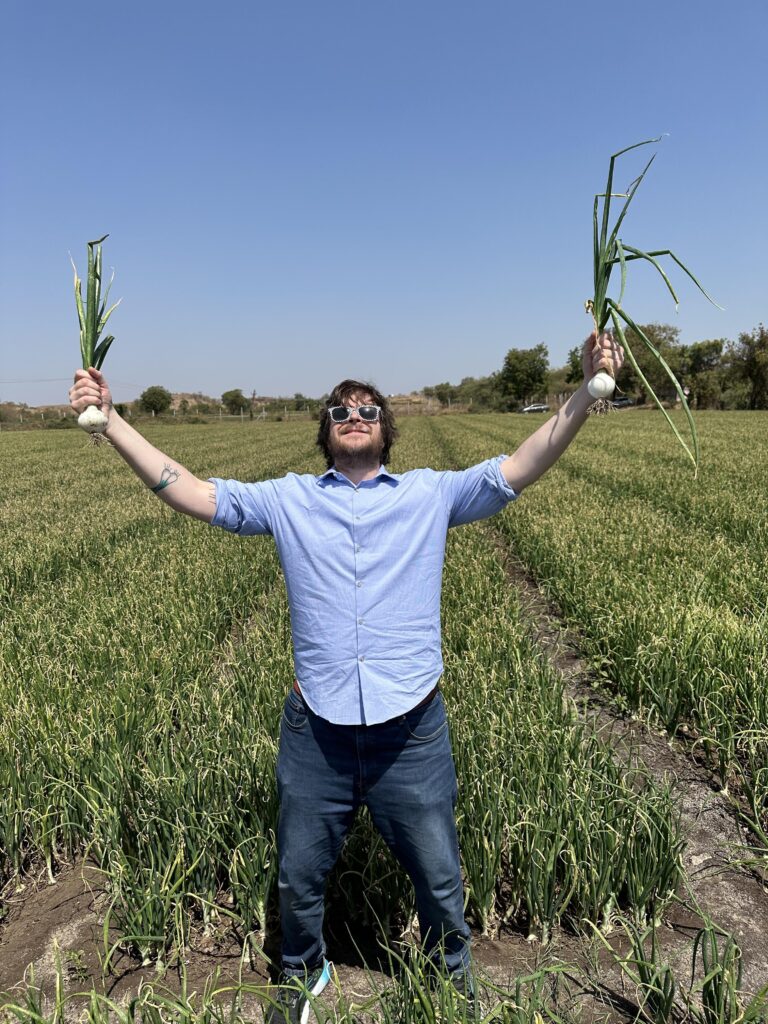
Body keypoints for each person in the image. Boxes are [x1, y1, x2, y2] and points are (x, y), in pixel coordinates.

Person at [69, 331, 623, 1023]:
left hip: (411, 730)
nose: (352, 415)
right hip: (317, 731)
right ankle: (303, 974)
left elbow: (521, 464)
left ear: (387, 430)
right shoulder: (288, 500)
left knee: (439, 877)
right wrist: (113, 420)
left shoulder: (430, 494)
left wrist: (584, 389)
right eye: (338, 411)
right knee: (299, 878)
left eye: (366, 409)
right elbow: (190, 491)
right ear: (325, 433)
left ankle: (452, 978)